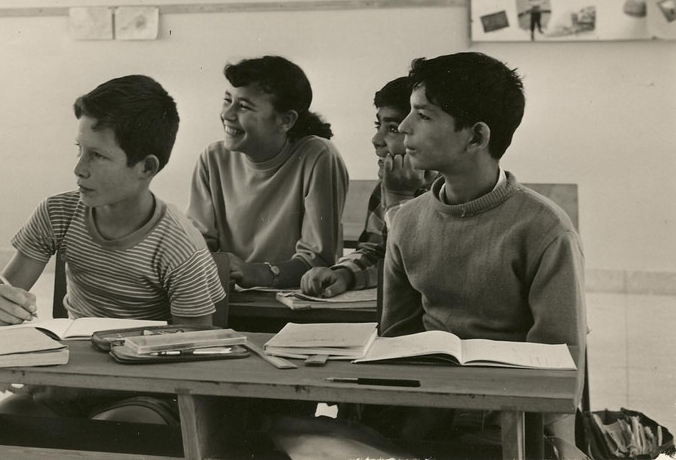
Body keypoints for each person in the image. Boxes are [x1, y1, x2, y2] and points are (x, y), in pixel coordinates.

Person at [0, 74, 225, 423]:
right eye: (79, 149)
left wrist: (102, 372)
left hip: (142, 393)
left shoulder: (179, 245)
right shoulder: (58, 213)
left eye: (97, 156)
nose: (78, 169)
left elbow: (193, 349)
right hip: (65, 384)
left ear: (146, 167)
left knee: (115, 430)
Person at [376, 52, 586, 450]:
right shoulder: (405, 221)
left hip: (510, 428)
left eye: (423, 115)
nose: (403, 127)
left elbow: (558, 364)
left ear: (476, 136)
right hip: (424, 419)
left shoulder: (545, 229)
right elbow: (395, 340)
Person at [187, 55, 349, 289]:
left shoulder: (318, 156)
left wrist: (255, 273)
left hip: (293, 300)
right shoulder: (212, 158)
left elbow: (318, 260)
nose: (227, 114)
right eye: (227, 100)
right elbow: (198, 245)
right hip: (232, 299)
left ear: (286, 121)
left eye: (244, 106)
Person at [299, 75, 433, 299]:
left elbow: (420, 268)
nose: (376, 139)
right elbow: (376, 251)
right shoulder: (386, 188)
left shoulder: (448, 192)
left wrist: (400, 197)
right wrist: (344, 274)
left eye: (393, 129)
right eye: (379, 125)